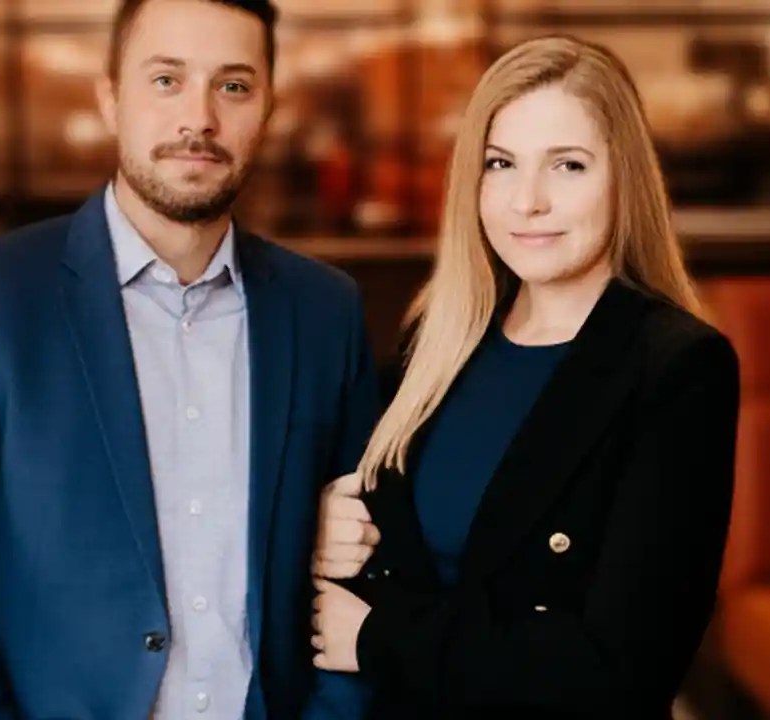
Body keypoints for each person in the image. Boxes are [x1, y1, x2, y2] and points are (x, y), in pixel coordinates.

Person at [0, 0, 380, 717]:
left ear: (268, 108)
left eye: (233, 86)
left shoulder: (325, 311)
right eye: (166, 80)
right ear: (110, 100)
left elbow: (366, 569)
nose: (199, 118)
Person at [309, 35, 741, 718]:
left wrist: (378, 637)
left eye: (567, 165)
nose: (527, 201)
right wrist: (327, 521)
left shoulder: (679, 367)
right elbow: (387, 551)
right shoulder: (439, 338)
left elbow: (620, 673)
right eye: (501, 164)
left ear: (624, 177)